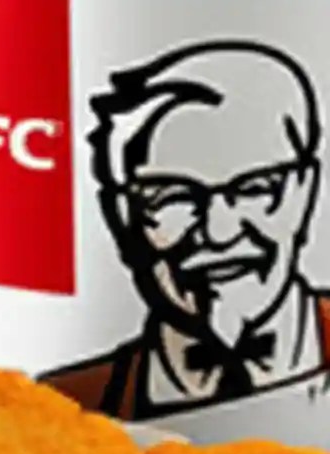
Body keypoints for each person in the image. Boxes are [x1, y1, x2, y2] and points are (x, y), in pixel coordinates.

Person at [42, 41, 329, 421]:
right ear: (121, 217)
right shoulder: (62, 404)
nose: (220, 232)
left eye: (255, 189)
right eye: (173, 197)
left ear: (305, 192)